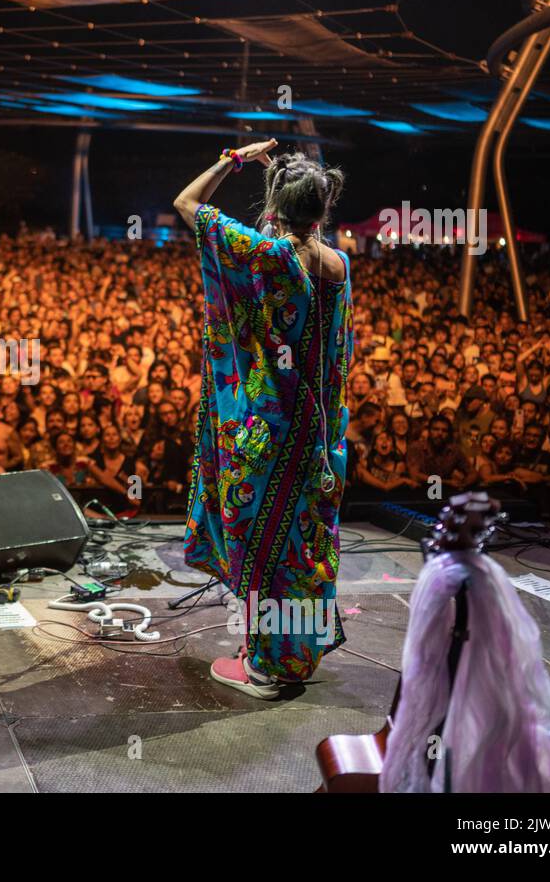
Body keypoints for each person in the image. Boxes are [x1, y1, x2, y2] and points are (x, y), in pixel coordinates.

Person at [174, 141, 353, 699]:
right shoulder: (338, 265)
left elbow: (187, 203)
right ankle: (293, 652)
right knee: (300, 544)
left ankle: (263, 670)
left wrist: (231, 158)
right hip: (317, 431)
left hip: (267, 429)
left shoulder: (265, 255)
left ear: (273, 208)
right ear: (323, 211)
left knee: (261, 544)